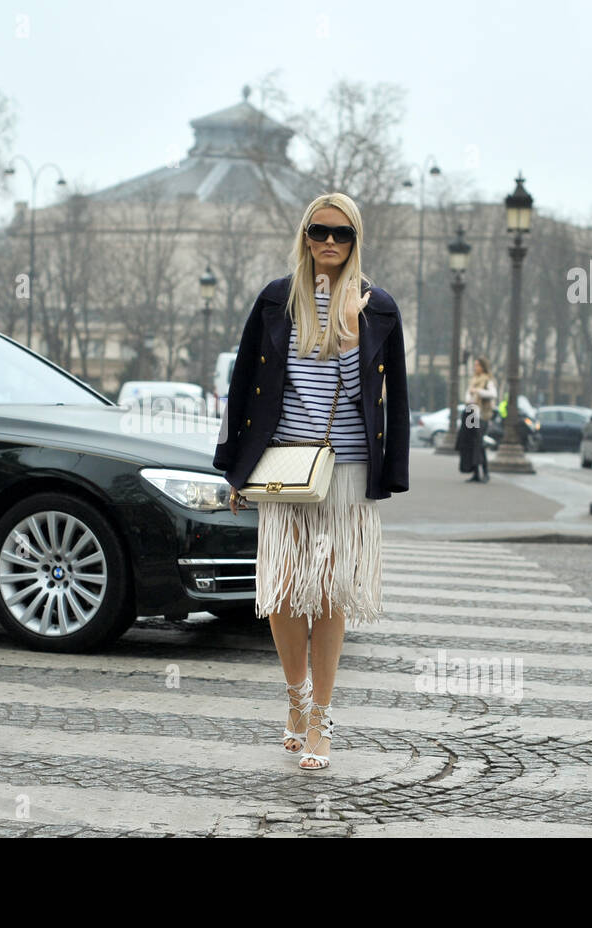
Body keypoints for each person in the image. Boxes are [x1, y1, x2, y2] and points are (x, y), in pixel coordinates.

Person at [213, 192, 409, 770]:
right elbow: (243, 383)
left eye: (342, 233)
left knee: (329, 593)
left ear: (356, 240)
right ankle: (295, 699)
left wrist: (349, 333)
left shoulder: (378, 308)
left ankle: (320, 717)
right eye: (320, 231)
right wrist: (234, 468)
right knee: (282, 590)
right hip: (282, 467)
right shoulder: (277, 300)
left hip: (345, 470)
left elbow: (384, 396)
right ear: (304, 236)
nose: (330, 241)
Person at [456, 357, 496, 483]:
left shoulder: (487, 380)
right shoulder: (473, 380)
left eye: (478, 365)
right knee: (470, 444)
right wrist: (470, 395)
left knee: (479, 444)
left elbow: (493, 394)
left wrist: (477, 391)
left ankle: (486, 472)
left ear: (483, 367)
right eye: (475, 365)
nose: (475, 367)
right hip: (471, 414)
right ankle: (475, 473)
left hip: (482, 415)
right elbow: (467, 397)